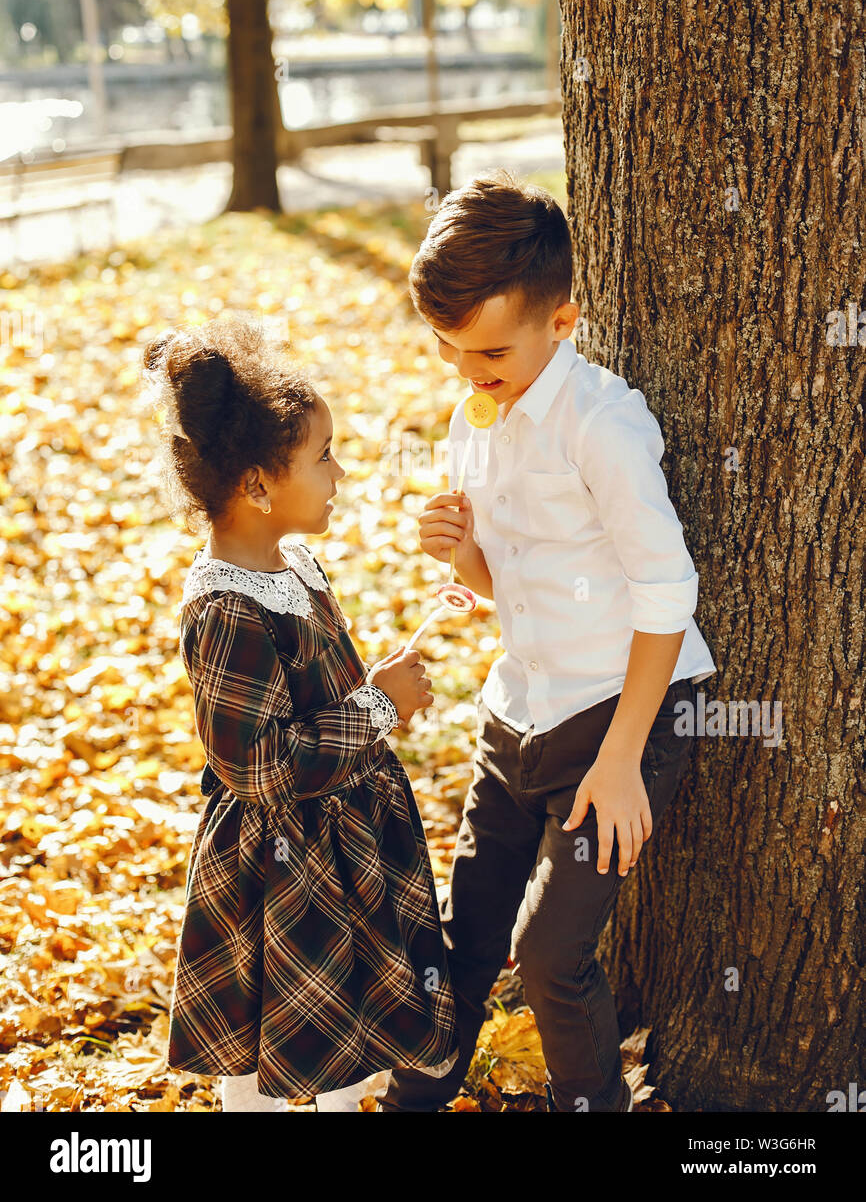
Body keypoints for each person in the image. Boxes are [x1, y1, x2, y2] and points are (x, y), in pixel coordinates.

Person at [378, 171, 717, 1113]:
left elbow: (666, 594)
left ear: (563, 322)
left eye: (487, 350)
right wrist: (469, 557)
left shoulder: (602, 424)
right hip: (518, 709)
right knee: (470, 935)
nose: (466, 372)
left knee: (548, 954)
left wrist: (619, 763)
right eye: (448, 349)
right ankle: (418, 1093)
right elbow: (514, 586)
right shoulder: (472, 418)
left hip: (622, 712)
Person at [142, 315, 457, 1111]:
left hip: (343, 844)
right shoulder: (224, 610)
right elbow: (262, 767)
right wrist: (380, 707)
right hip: (277, 867)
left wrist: (372, 690)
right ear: (256, 485)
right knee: (264, 1046)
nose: (339, 473)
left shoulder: (295, 562)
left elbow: (319, 693)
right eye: (322, 458)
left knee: (344, 1034)